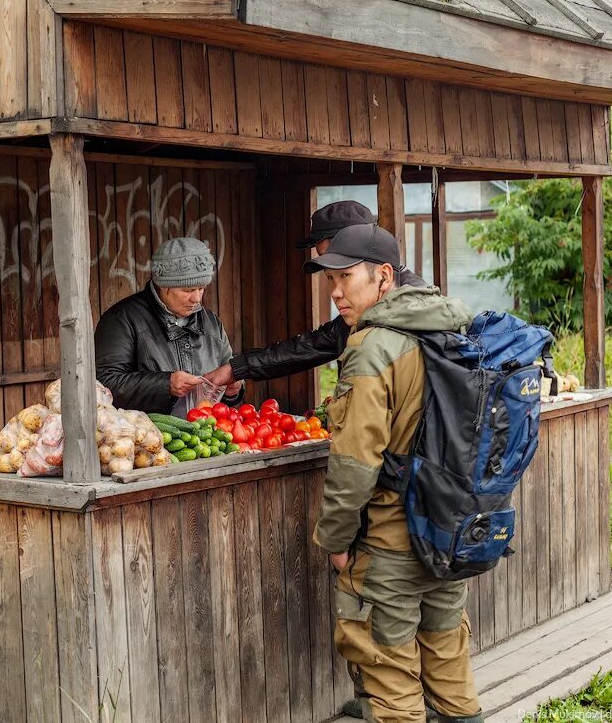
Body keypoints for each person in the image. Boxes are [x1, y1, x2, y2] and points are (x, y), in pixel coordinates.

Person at [305, 224, 483, 723]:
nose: (335, 292)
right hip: (451, 531)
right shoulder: (453, 327)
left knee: (389, 680)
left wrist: (336, 541)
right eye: (329, 281)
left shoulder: (373, 348)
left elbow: (355, 462)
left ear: (383, 276)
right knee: (449, 669)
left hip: (390, 542)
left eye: (345, 278)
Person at [203, 200, 427, 389]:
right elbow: (317, 343)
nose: (336, 291)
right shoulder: (369, 311)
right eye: (329, 274)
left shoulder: (412, 312)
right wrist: (239, 367)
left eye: (344, 271)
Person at [94, 237, 244, 416]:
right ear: (162, 285)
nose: (197, 299)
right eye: (188, 290)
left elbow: (226, 388)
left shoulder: (211, 322)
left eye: (201, 288)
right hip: (149, 439)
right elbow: (103, 385)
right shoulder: (121, 319)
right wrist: (165, 384)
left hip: (206, 440)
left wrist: (233, 391)